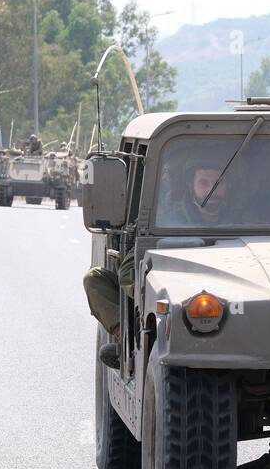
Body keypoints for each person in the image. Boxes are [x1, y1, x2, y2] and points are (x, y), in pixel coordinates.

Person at [82, 147, 234, 369]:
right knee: (94, 279)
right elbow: (127, 272)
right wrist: (149, 294)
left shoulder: (242, 217)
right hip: (174, 298)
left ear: (228, 186)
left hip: (230, 295)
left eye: (218, 184)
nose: (212, 190)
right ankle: (128, 339)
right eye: (204, 183)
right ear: (191, 185)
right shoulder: (164, 217)